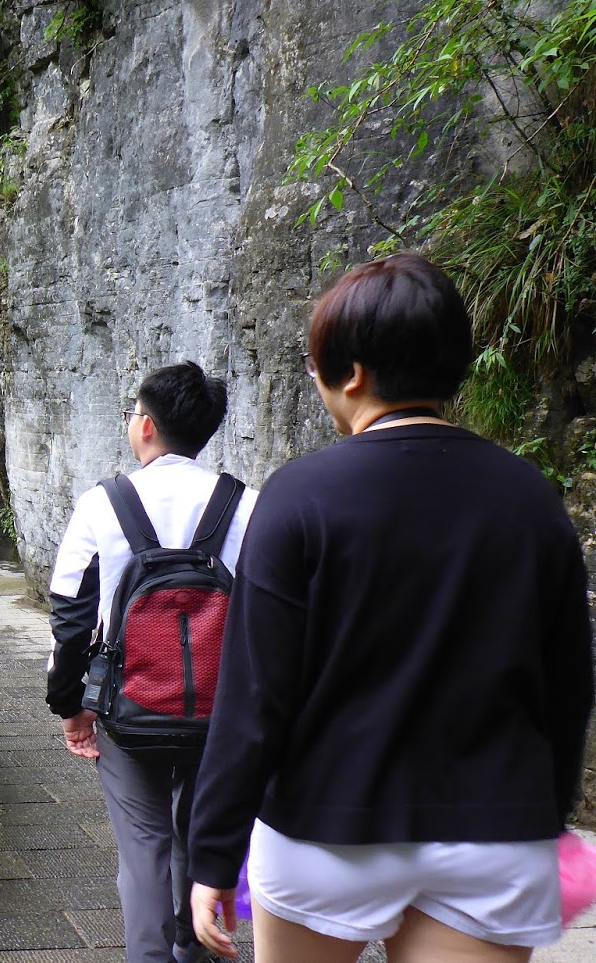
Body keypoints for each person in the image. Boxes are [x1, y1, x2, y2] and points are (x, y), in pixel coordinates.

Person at [188, 252, 595, 963]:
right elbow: (568, 688)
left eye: (316, 367)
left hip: (326, 830)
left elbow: (254, 699)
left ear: (353, 375)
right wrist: (546, 816)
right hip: (495, 835)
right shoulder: (530, 498)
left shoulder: (301, 496)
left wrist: (213, 856)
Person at [47, 361, 258, 963]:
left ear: (146, 426)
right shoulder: (245, 505)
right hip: (221, 715)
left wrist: (70, 707)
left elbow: (71, 619)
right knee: (201, 834)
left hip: (128, 711)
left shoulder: (101, 504)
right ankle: (194, 953)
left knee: (144, 845)